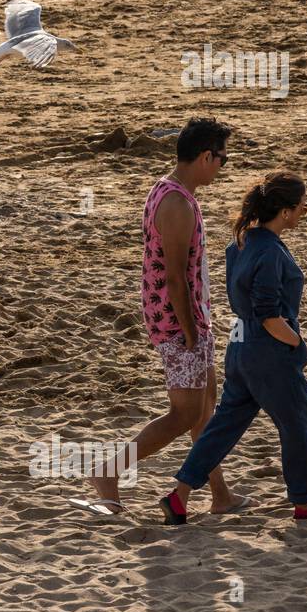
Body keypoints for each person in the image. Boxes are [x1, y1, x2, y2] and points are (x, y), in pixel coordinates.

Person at [72, 118, 243, 515]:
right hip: (178, 320)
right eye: (222, 159)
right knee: (184, 413)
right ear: (205, 156)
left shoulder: (171, 191)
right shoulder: (177, 204)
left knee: (205, 408)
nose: (222, 167)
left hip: (189, 316)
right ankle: (108, 472)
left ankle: (220, 494)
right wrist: (189, 331)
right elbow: (175, 276)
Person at [161, 172, 307, 524]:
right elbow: (268, 314)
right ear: (284, 211)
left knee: (224, 426)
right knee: (300, 425)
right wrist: (297, 342)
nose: (303, 214)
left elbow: (246, 305)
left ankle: (179, 495)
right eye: (302, 209)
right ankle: (305, 503)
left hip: (238, 345)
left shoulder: (241, 243)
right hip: (268, 350)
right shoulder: (271, 252)